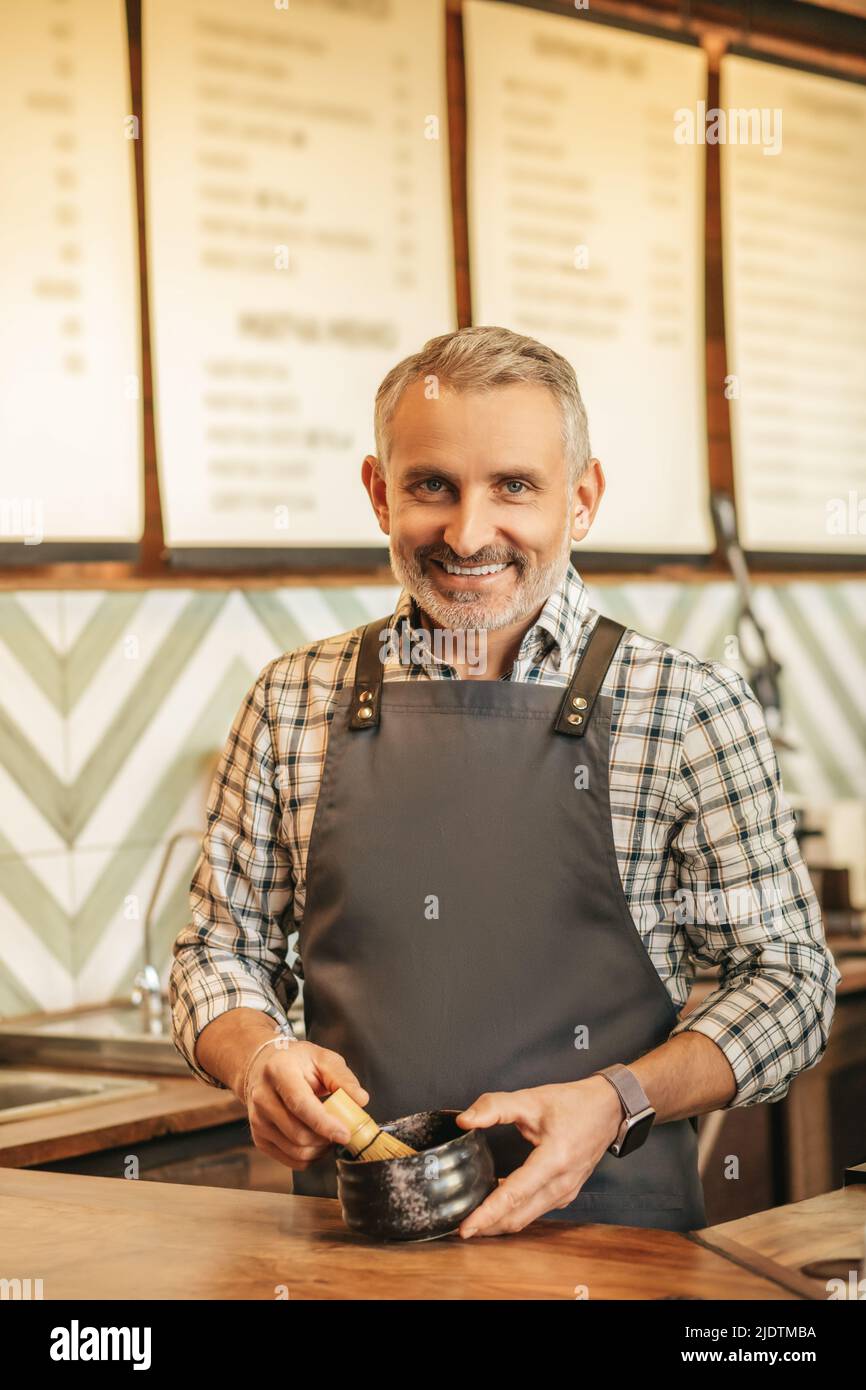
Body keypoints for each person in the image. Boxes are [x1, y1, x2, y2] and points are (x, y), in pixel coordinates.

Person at [170, 325, 839, 1237]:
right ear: (379, 493)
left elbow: (790, 985)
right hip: (353, 1249)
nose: (469, 532)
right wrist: (258, 1058)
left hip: (613, 1244)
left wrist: (617, 1098)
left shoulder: (687, 705)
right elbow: (217, 952)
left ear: (584, 497)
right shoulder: (294, 699)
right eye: (431, 486)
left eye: (513, 486)